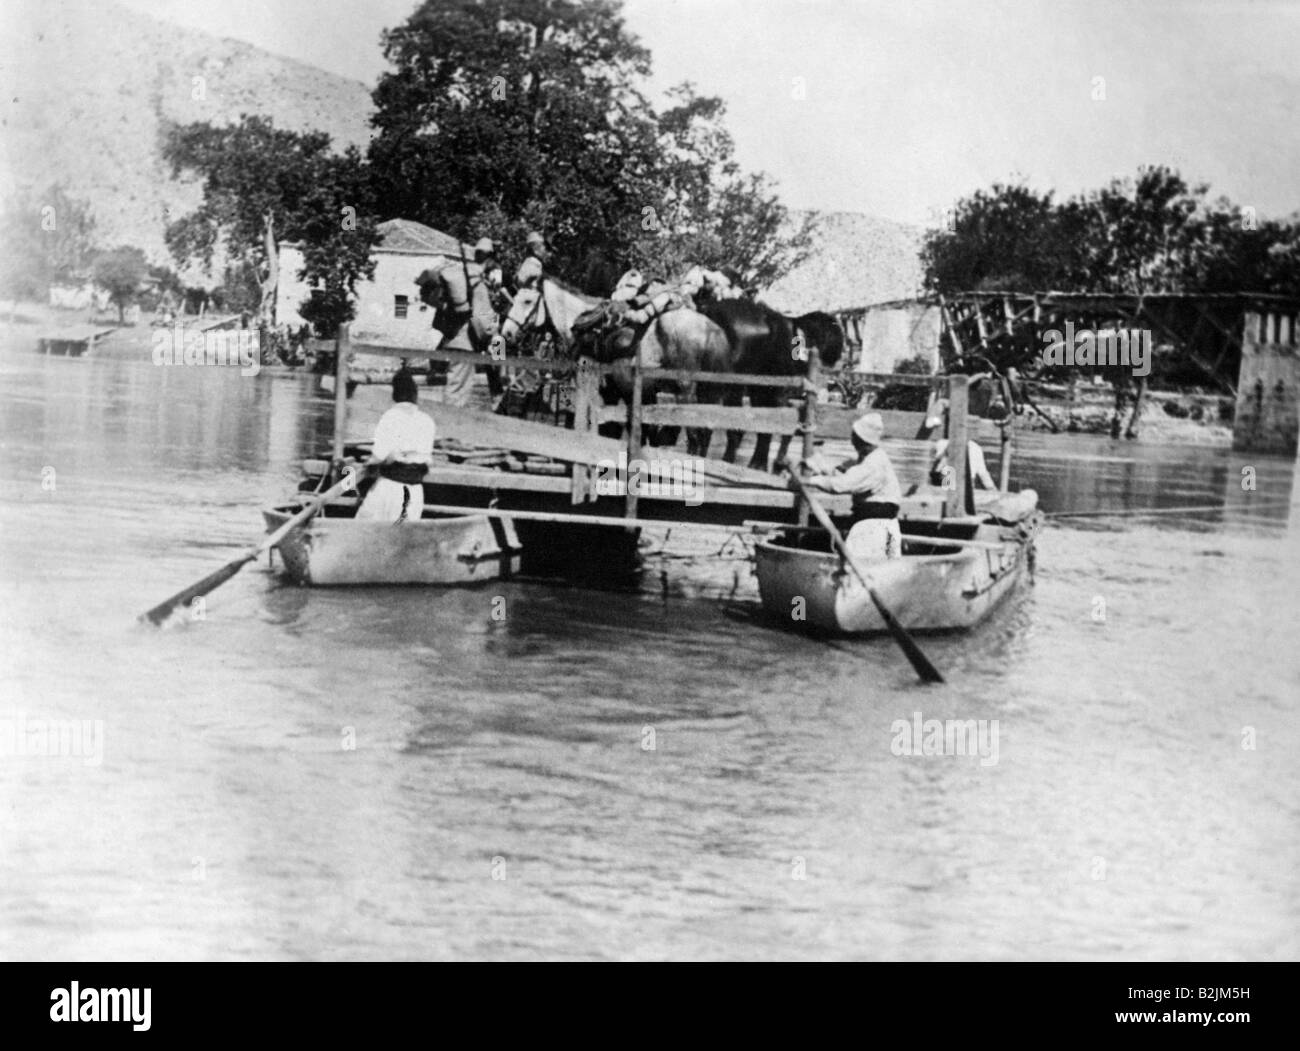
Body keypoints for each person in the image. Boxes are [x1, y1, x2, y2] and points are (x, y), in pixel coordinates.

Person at [801, 412, 902, 561]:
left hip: (875, 527)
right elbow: (841, 472)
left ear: (862, 440)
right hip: (878, 524)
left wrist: (808, 481)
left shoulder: (874, 464)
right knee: (881, 568)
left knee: (864, 568)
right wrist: (816, 465)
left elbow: (841, 485)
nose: (852, 441)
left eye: (854, 437)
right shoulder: (866, 460)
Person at [355, 368, 437, 523]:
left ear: (394, 394)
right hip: (415, 490)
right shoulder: (427, 421)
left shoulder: (390, 417)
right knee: (403, 538)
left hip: (390, 487)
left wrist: (369, 463)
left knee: (365, 530)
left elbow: (379, 456)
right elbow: (426, 455)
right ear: (415, 394)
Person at [923, 398, 997, 491]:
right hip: (962, 481)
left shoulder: (943, 444)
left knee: (948, 481)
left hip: (955, 479)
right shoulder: (974, 447)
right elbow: (983, 474)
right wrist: (992, 489)